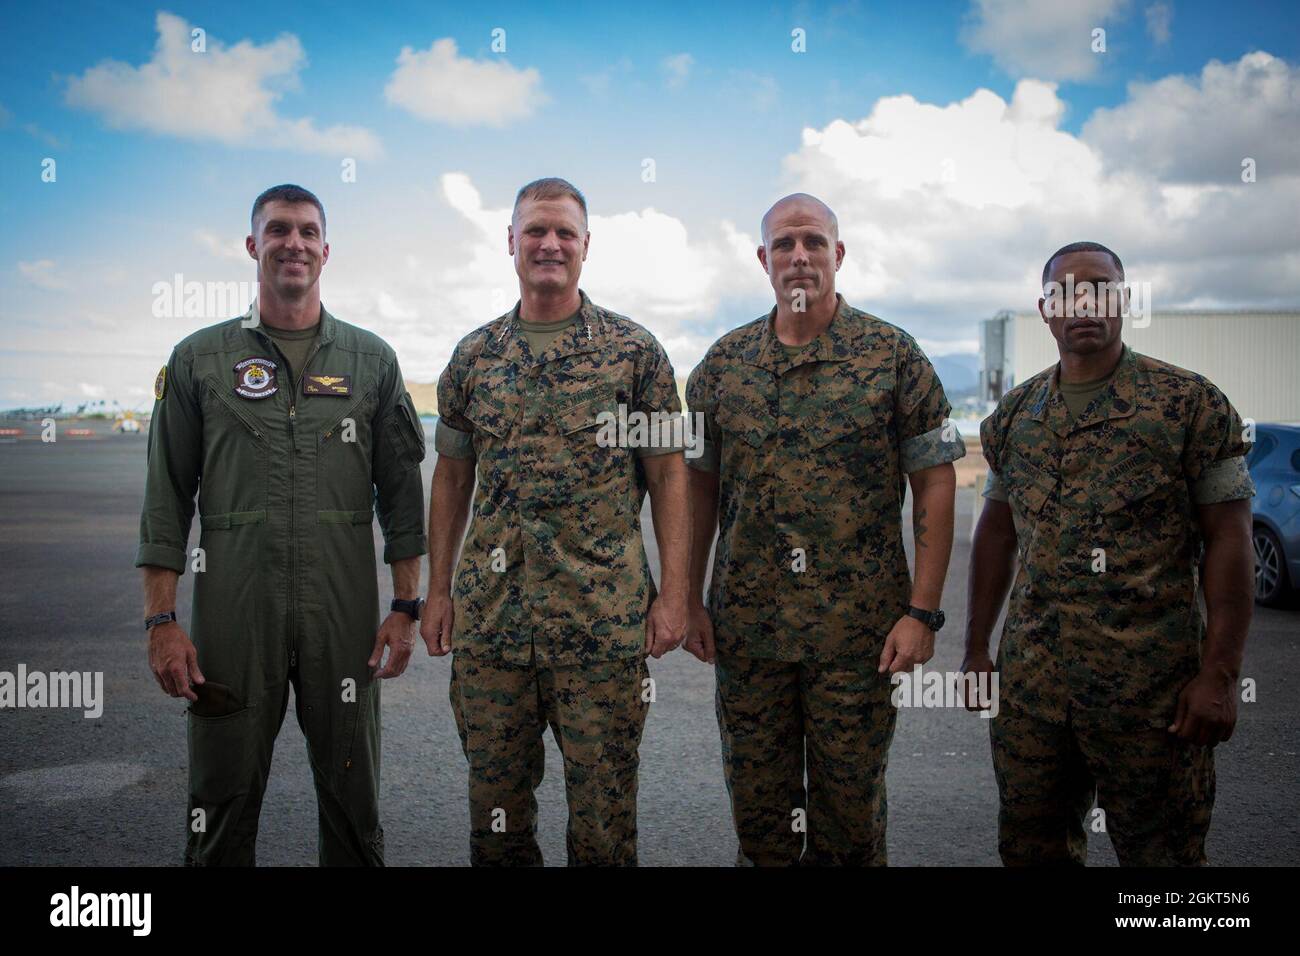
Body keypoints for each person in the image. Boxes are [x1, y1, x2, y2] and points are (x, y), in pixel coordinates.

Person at [138, 184, 427, 866]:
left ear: (326, 250)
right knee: (220, 805)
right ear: (253, 245)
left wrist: (407, 606)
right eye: (277, 230)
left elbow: (403, 500)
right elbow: (165, 501)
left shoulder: (372, 362)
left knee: (356, 808)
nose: (293, 243)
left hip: (343, 618)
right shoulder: (198, 361)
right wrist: (161, 622)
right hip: (234, 618)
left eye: (306, 231)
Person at [684, 193, 965, 865]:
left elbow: (935, 480)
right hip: (750, 633)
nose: (799, 255)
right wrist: (685, 597)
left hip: (858, 637)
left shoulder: (894, 357)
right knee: (762, 821)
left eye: (813, 241)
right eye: (784, 244)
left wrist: (922, 612)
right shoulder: (723, 366)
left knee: (849, 822)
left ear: (839, 254)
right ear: (764, 260)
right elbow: (695, 485)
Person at [423, 177, 690, 866]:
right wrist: (439, 591)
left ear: (586, 246)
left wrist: (676, 595)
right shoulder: (474, 357)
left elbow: (667, 475)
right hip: (493, 633)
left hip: (601, 628)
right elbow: (452, 476)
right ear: (510, 242)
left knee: (603, 826)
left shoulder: (635, 355)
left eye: (564, 232)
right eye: (535, 231)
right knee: (497, 822)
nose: (549, 244)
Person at [963, 240, 1255, 865]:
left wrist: (1221, 674)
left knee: (1164, 863)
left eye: (1099, 287)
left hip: (1151, 695)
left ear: (1123, 301)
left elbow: (1229, 540)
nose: (1083, 302)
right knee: (1032, 848)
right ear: (1046, 310)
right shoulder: (1015, 416)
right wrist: (976, 649)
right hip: (1035, 693)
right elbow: (996, 531)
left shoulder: (1187, 406)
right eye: (1066, 291)